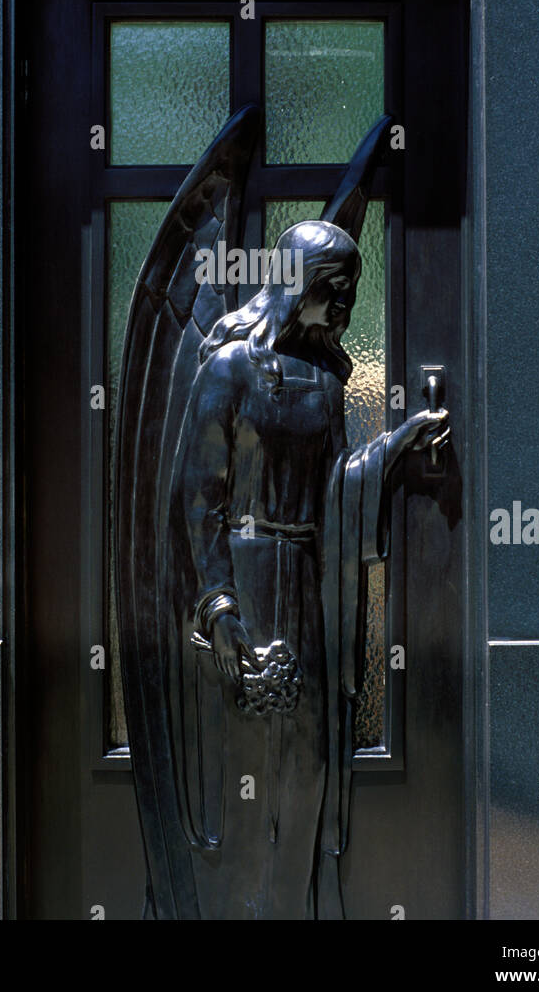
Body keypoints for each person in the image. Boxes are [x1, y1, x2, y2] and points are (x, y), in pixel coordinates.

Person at [169, 219, 449, 919]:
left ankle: (289, 908)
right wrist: (218, 606)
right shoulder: (231, 368)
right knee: (252, 763)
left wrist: (392, 449)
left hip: (308, 582)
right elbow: (197, 497)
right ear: (298, 285)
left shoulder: (324, 381)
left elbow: (335, 486)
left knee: (309, 762)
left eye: (351, 290)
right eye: (334, 288)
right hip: (248, 575)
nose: (345, 304)